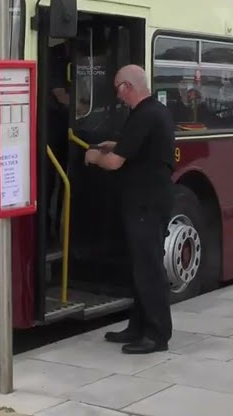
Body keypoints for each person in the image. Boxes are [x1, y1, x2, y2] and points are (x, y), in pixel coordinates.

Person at [83, 64, 175, 354]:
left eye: (118, 89)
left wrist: (94, 156)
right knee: (139, 266)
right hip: (147, 201)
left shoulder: (146, 114)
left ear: (128, 87)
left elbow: (114, 162)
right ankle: (138, 326)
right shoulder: (152, 112)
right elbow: (135, 148)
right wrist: (116, 144)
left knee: (148, 268)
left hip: (146, 203)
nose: (117, 95)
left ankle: (157, 334)